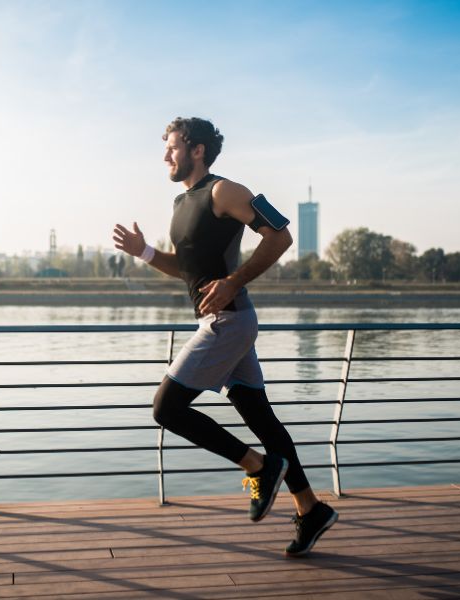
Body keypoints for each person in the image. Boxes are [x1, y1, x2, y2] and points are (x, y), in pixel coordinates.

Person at [112, 117, 338, 557]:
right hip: (221, 322)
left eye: (173, 147)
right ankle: (309, 508)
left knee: (167, 407)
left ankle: (257, 466)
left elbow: (281, 235)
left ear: (197, 150)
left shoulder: (224, 191)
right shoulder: (182, 202)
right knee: (259, 416)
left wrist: (234, 281)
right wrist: (144, 252)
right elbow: (189, 269)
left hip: (229, 322)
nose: (165, 155)